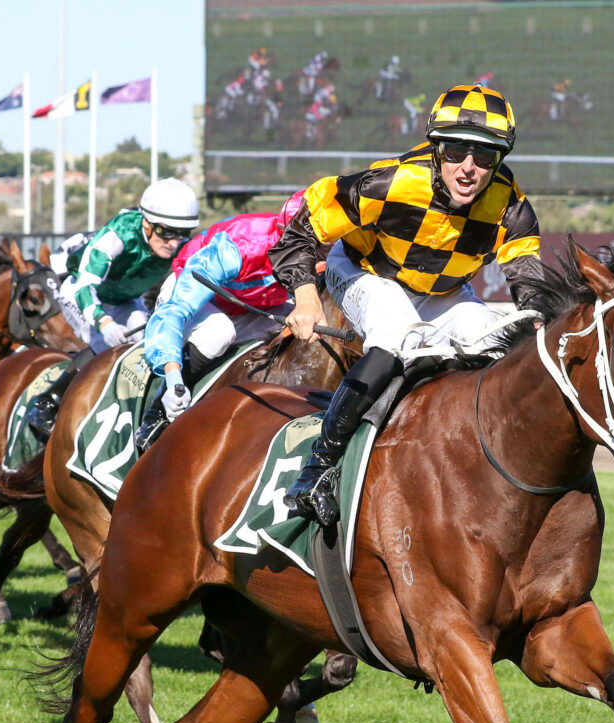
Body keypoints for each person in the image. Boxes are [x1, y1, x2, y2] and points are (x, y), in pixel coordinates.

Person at [268, 83, 549, 525]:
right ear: (436, 148)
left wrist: (541, 323)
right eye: (456, 150)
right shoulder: (391, 182)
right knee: (395, 335)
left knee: (498, 347)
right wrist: (305, 295)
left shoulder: (510, 205)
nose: (469, 168)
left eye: (486, 155)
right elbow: (298, 231)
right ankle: (316, 471)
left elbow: (527, 276)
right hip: (366, 271)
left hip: (445, 292)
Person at [132, 190, 310, 450]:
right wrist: (172, 379)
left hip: (250, 300)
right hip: (194, 290)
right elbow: (174, 311)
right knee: (219, 332)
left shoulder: (324, 251)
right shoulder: (239, 247)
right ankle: (157, 412)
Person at [42, 179, 199, 406]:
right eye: (166, 232)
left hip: (125, 299)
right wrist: (104, 322)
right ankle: (49, 400)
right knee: (103, 344)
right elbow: (85, 287)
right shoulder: (119, 233)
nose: (173, 243)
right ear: (147, 223)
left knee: (147, 344)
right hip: (80, 291)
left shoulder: (182, 246)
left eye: (181, 233)